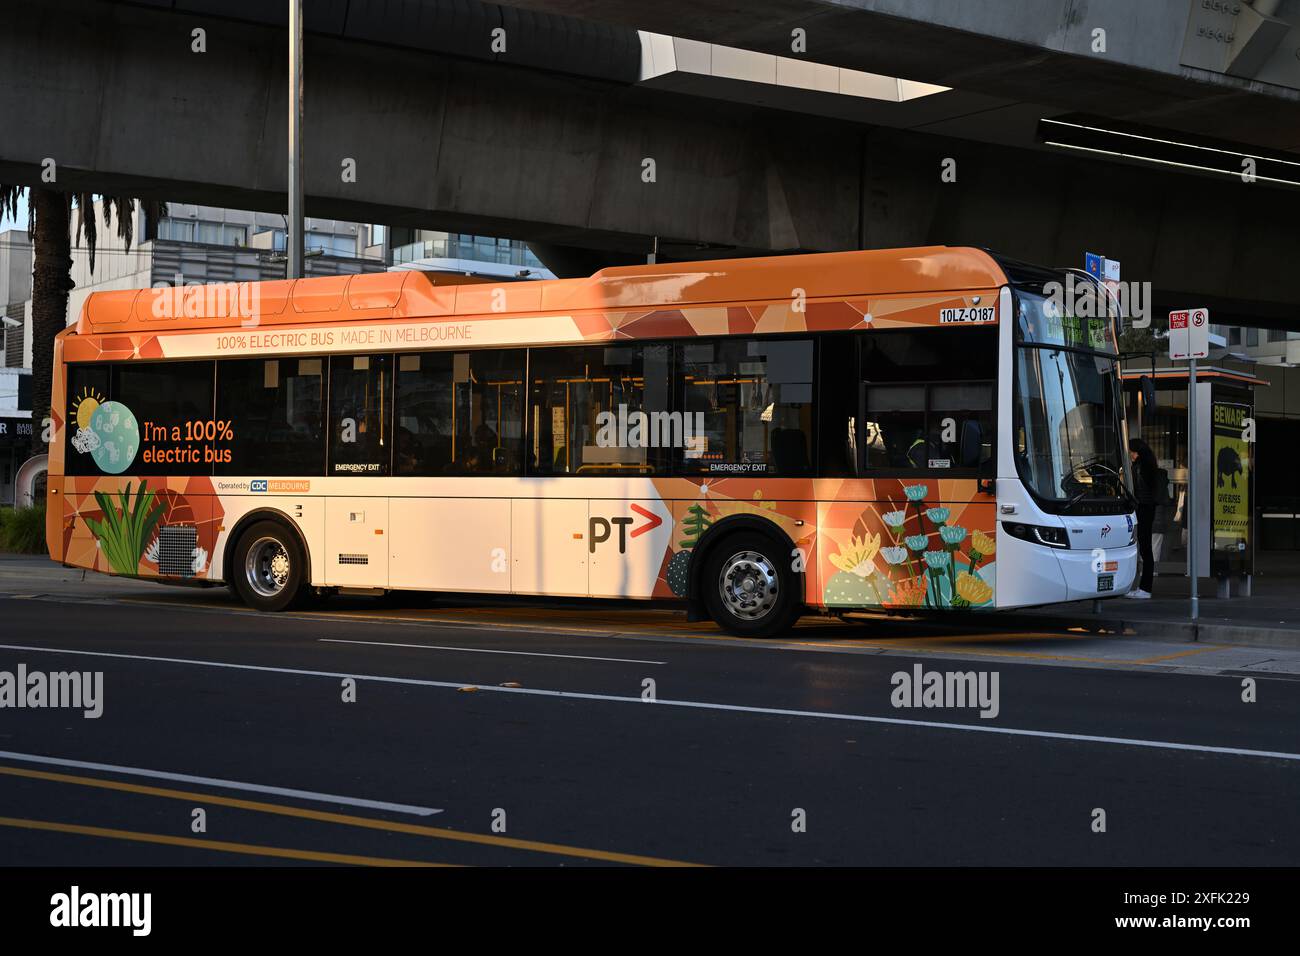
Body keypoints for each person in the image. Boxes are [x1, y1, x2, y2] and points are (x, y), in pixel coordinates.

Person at [1127, 437, 1161, 599]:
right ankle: (1143, 587)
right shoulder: (1149, 464)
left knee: (1145, 549)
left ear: (1137, 452)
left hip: (1143, 509)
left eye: (1132, 452)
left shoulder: (1140, 467)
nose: (1130, 455)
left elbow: (1138, 490)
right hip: (1147, 509)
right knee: (1145, 548)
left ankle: (1145, 588)